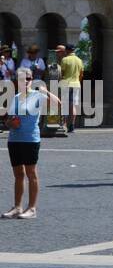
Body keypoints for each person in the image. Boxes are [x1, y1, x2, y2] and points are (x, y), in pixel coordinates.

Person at [4, 68, 59, 218]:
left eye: (28, 78)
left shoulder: (37, 96)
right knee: (18, 175)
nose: (26, 81)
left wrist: (45, 91)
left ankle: (32, 208)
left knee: (31, 173)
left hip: (30, 139)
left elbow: (58, 104)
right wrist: (10, 123)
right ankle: (17, 207)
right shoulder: (15, 97)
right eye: (22, 79)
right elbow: (8, 119)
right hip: (14, 139)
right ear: (17, 81)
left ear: (32, 79)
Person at [55, 44, 84, 133]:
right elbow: (81, 74)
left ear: (66, 50)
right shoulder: (79, 60)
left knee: (64, 105)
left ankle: (63, 125)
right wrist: (77, 81)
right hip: (76, 84)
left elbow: (61, 73)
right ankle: (72, 126)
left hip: (66, 84)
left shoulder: (65, 59)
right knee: (73, 106)